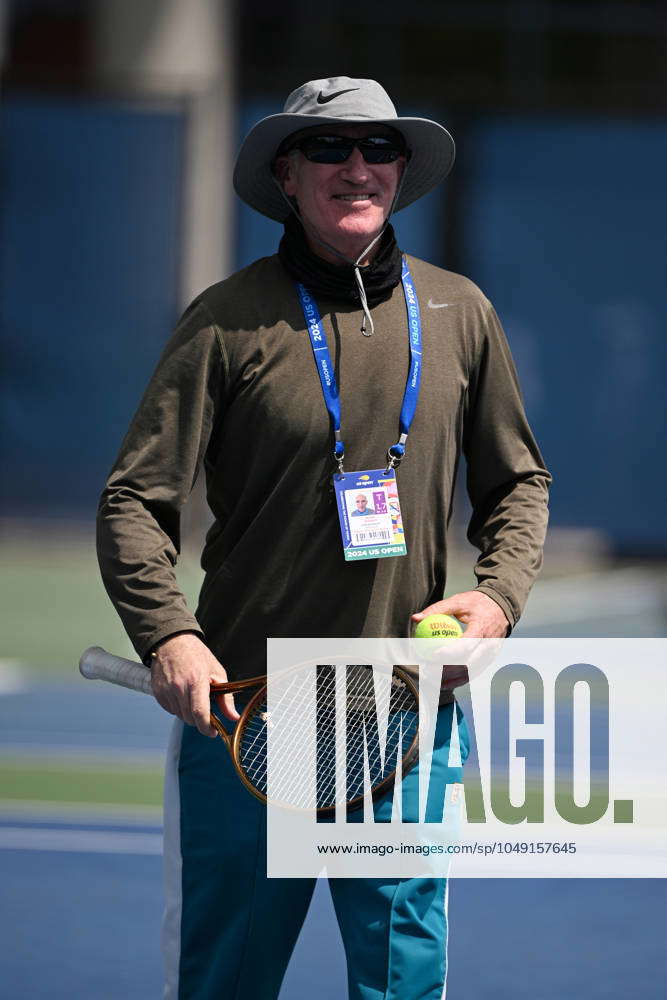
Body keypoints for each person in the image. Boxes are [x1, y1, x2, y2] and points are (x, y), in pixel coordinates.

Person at [97, 77, 550, 1000]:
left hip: (402, 720)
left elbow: (518, 484)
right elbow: (134, 500)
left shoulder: (461, 312)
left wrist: (497, 599)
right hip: (247, 724)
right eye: (330, 148)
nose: (356, 167)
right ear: (287, 173)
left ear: (401, 172)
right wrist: (169, 632)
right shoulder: (224, 320)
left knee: (401, 983)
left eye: (378, 148)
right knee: (228, 979)